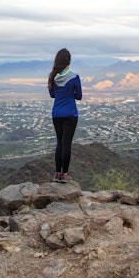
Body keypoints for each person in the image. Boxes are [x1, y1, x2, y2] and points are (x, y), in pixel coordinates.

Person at [48, 47, 82, 183]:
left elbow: (52, 95)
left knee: (59, 143)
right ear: (69, 61)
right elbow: (79, 96)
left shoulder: (52, 76)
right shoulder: (74, 77)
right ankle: (65, 174)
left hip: (56, 113)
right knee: (67, 143)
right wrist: (70, 94)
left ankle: (57, 174)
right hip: (70, 113)